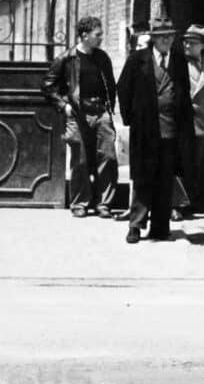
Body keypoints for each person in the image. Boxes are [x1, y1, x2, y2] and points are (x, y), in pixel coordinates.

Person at [116, 17, 191, 244]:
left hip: (169, 131)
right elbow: (123, 88)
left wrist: (184, 127)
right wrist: (131, 118)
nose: (167, 40)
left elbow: (184, 93)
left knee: (164, 179)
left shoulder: (178, 61)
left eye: (170, 36)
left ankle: (160, 228)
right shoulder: (138, 59)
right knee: (142, 178)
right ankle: (136, 226)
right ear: (154, 39)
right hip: (145, 130)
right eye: (162, 36)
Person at [42, 14, 120, 219]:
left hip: (101, 111)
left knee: (108, 155)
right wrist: (63, 105)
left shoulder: (102, 57)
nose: (101, 38)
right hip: (77, 112)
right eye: (97, 34)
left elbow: (110, 85)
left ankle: (104, 203)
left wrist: (111, 111)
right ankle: (80, 203)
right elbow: (48, 86)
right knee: (80, 159)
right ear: (84, 35)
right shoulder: (66, 58)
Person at [180, 24, 204, 220]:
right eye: (185, 41)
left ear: (202, 45)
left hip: (202, 123)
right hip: (182, 123)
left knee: (196, 165)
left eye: (192, 42)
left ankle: (190, 203)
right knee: (180, 164)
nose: (187, 45)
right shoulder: (177, 62)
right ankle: (177, 204)